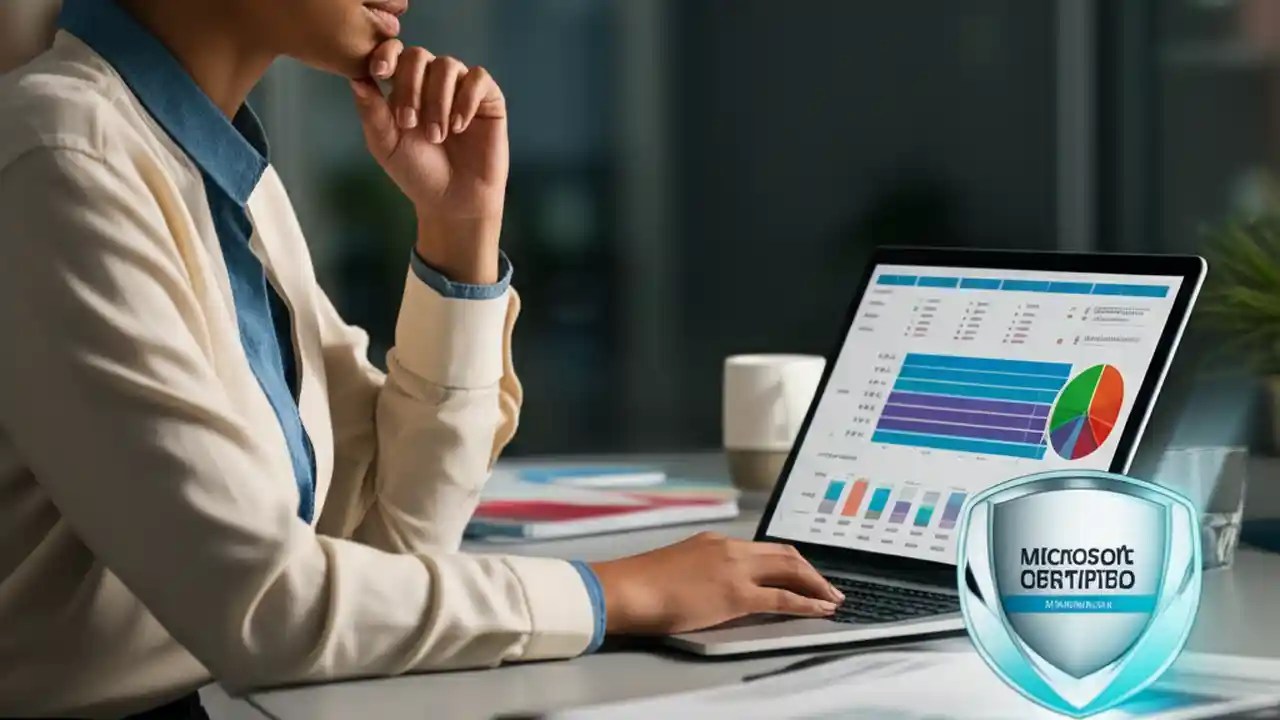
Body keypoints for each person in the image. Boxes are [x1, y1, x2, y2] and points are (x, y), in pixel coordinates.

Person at [0, 1, 845, 717]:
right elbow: (266, 609)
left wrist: (460, 231)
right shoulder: (62, 154)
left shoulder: (205, 165)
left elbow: (398, 543)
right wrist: (619, 595)